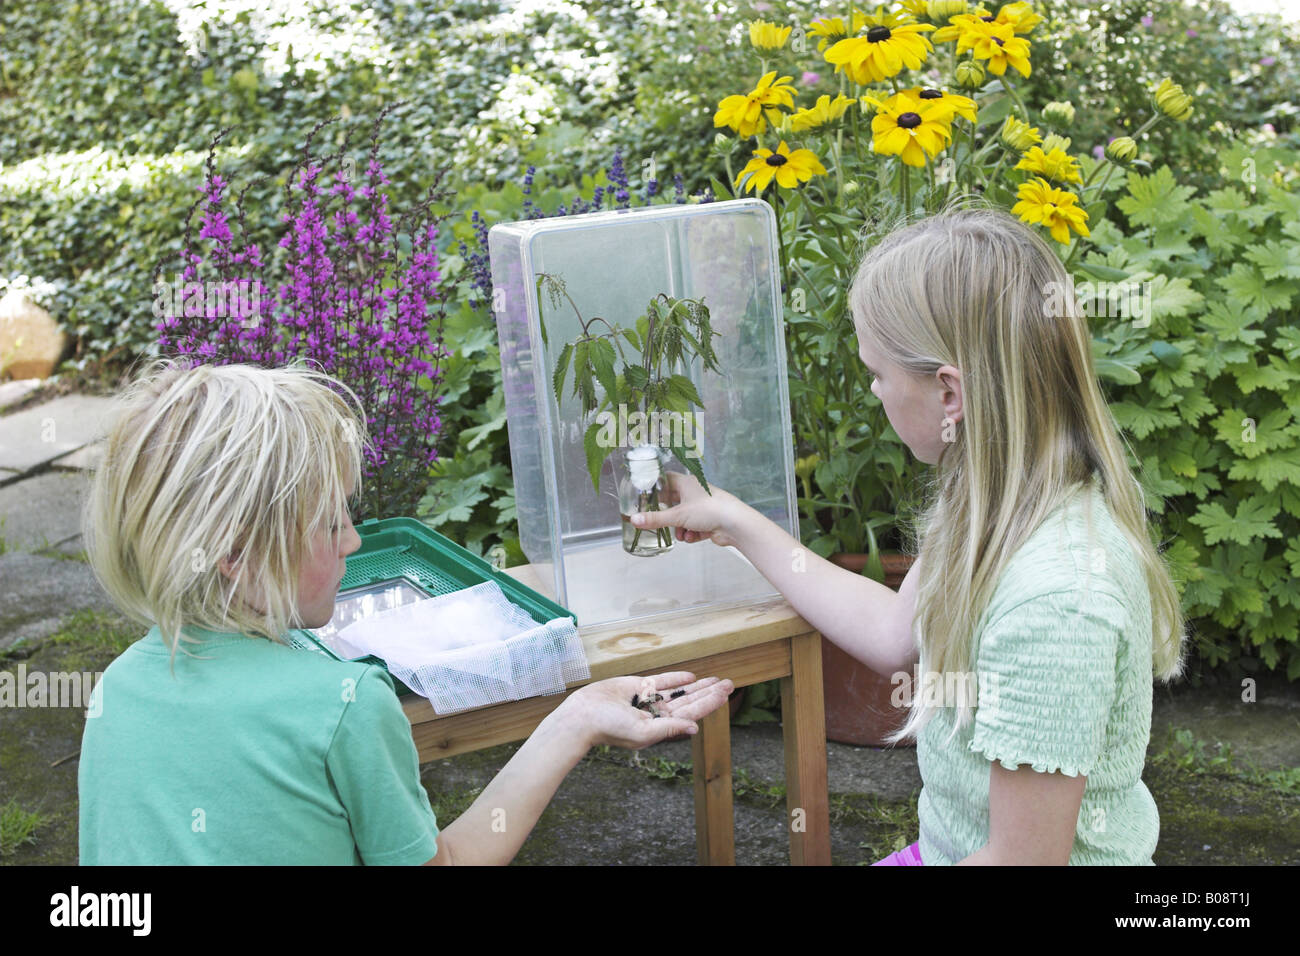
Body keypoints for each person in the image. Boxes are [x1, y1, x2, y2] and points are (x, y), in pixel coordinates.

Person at [631, 204, 1186, 866]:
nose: (873, 391)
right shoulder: (990, 506)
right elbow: (896, 634)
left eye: (878, 373)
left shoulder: (1057, 603)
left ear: (949, 394)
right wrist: (733, 520)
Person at [78, 359, 733, 865]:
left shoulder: (116, 693)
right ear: (235, 553)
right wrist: (576, 722)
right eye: (332, 522)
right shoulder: (344, 703)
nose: (353, 542)